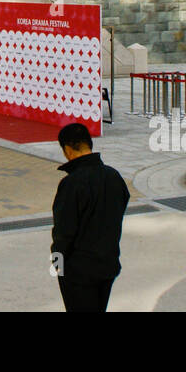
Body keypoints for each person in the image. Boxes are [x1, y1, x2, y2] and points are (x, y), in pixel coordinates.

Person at [50, 123, 130, 312]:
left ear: (67, 149)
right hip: (108, 265)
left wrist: (57, 263)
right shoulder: (114, 176)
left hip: (78, 271)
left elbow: (63, 233)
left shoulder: (71, 184)